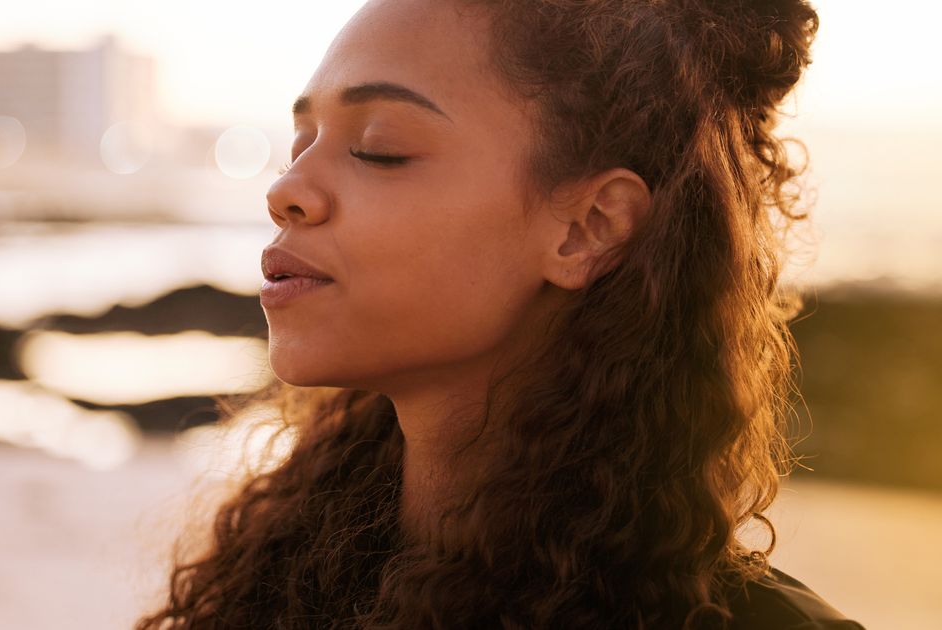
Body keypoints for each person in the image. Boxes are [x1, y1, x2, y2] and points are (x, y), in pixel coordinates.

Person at [138, 0, 866, 627]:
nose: (286, 190)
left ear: (589, 227)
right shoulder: (282, 581)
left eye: (378, 148)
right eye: (301, 145)